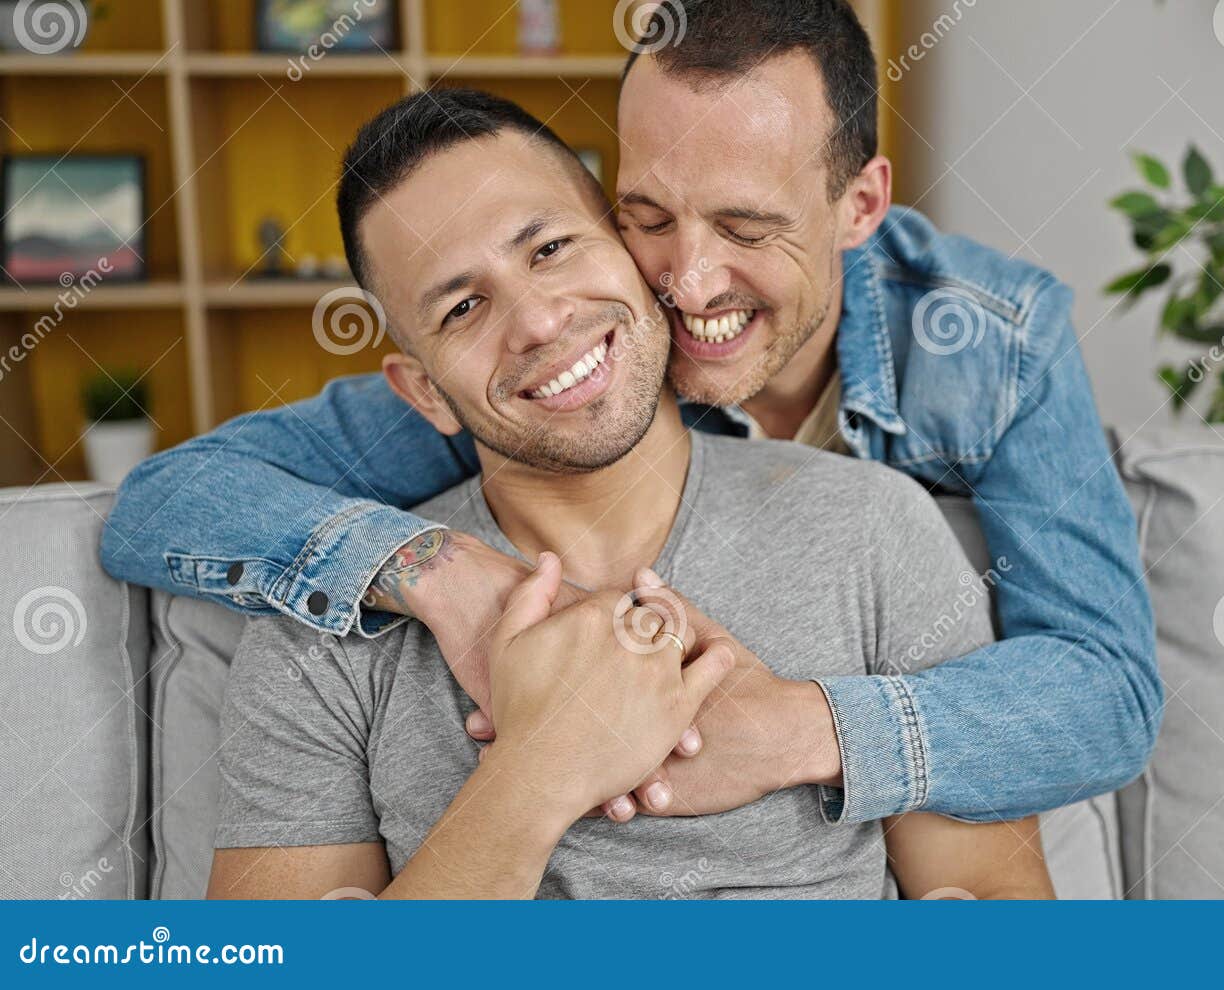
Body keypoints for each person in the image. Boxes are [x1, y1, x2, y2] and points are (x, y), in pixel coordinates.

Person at [103, 0, 1160, 829]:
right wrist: (445, 576)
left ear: (860, 207)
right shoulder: (583, 350)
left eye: (747, 226)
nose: (688, 284)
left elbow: (1106, 691)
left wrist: (803, 727)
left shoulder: (994, 346)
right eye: (647, 216)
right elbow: (166, 500)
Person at [206, 89, 1052, 899]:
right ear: (423, 390)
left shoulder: (873, 528)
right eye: (464, 307)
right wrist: (537, 771)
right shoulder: (320, 636)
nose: (537, 321)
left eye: (550, 249)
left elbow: (993, 903)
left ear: (639, 255)